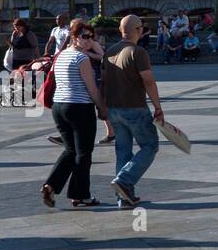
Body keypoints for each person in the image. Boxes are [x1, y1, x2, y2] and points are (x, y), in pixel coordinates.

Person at [40, 20, 109, 209]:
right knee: (84, 153)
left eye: (91, 37)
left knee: (71, 150)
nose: (88, 41)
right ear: (74, 37)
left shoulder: (61, 55)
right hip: (79, 107)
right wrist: (102, 107)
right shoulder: (81, 58)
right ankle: (81, 195)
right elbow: (92, 88)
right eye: (84, 37)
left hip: (59, 107)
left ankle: (50, 185)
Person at [102, 14, 164, 207]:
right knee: (150, 145)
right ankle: (125, 180)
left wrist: (103, 106)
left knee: (123, 151)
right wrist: (157, 106)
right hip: (134, 107)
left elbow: (104, 80)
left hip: (114, 108)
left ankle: (124, 197)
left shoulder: (110, 51)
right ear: (138, 30)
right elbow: (148, 80)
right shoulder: (138, 52)